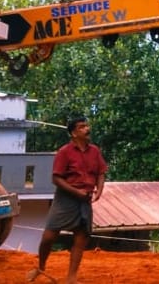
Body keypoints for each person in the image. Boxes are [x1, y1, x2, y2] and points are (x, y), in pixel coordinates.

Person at [28, 117, 108, 284]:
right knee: (49, 236)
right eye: (82, 127)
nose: (87, 129)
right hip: (65, 197)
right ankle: (41, 267)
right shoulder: (64, 152)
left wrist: (99, 189)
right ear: (73, 133)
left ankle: (71, 278)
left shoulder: (95, 151)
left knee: (81, 236)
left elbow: (101, 172)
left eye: (87, 125)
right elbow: (56, 178)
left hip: (85, 198)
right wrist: (75, 191)